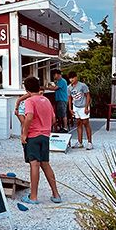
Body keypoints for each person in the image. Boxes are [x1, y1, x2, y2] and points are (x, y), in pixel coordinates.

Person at [20, 76, 62, 204]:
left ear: (27, 90)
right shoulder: (46, 100)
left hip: (33, 136)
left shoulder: (30, 101)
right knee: (45, 163)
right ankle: (56, 194)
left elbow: (29, 117)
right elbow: (53, 119)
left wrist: (24, 134)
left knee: (34, 164)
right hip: (45, 135)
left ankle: (33, 196)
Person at [67, 71, 93, 149]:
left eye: (73, 78)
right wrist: (70, 108)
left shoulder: (82, 85)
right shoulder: (69, 87)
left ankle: (89, 142)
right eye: (70, 78)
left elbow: (87, 95)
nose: (72, 80)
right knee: (78, 123)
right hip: (76, 106)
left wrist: (86, 107)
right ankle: (80, 142)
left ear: (76, 77)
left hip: (83, 106)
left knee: (86, 123)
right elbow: (69, 97)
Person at [45, 68, 69, 133]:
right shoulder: (59, 81)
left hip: (62, 99)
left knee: (63, 114)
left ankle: (65, 127)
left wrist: (45, 88)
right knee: (60, 114)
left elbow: (55, 88)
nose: (54, 76)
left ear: (57, 74)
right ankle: (61, 127)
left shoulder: (61, 81)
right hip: (59, 99)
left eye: (54, 75)